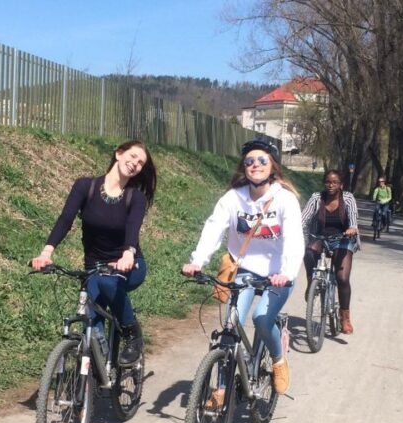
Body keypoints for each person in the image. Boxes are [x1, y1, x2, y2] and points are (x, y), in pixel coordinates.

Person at [182, 138, 304, 403]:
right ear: (244, 167)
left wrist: (286, 272)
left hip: (278, 275)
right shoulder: (234, 198)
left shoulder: (285, 199)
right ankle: (221, 389)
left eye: (262, 160)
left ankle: (278, 358)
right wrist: (198, 261)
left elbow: (294, 240)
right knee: (230, 325)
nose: (255, 165)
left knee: (261, 318)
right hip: (245, 270)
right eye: (249, 161)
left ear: (272, 166)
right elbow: (214, 227)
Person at [31, 140, 157, 365]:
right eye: (132, 156)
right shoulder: (85, 187)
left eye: (140, 163)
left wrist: (128, 254)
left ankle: (132, 334)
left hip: (128, 265)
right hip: (94, 268)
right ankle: (96, 373)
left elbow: (133, 228)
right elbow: (65, 219)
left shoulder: (134, 197)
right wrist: (46, 252)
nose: (135, 164)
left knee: (107, 281)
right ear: (119, 153)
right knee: (92, 326)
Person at [300, 170, 359, 334]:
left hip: (343, 238)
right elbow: (304, 218)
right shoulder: (316, 198)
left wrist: (352, 228)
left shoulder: (348, 198)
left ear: (341, 185)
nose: (330, 185)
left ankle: (345, 317)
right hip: (320, 237)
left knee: (342, 278)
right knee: (309, 251)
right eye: (327, 182)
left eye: (334, 182)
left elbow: (353, 219)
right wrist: (295, 227)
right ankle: (311, 282)